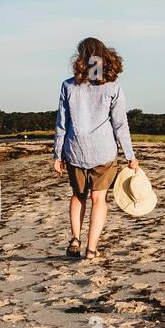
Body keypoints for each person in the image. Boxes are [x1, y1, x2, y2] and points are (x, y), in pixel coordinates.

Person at [52, 37, 138, 260]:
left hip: (75, 149)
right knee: (99, 199)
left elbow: (62, 124)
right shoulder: (113, 87)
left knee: (78, 195)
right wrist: (130, 155)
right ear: (103, 57)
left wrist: (57, 155)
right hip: (103, 151)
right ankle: (91, 250)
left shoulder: (68, 85)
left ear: (81, 58)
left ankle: (75, 239)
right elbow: (120, 124)